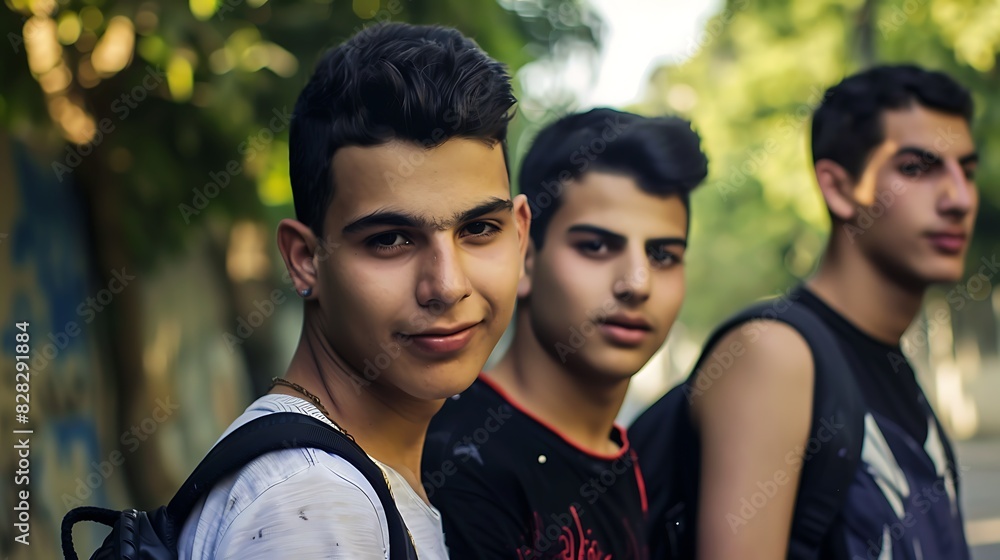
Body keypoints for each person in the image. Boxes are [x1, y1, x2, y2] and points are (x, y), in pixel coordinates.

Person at [177, 22, 531, 559]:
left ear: (521, 232)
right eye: (390, 239)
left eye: (479, 230)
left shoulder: (366, 477)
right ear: (305, 260)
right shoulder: (316, 502)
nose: (447, 286)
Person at [630, 64, 978, 559]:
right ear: (838, 188)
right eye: (917, 168)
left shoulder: (890, 365)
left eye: (967, 170)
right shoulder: (775, 355)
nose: (960, 199)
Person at [422, 108, 709, 559]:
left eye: (663, 255)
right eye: (595, 246)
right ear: (525, 256)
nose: (637, 282)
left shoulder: (632, 459)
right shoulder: (460, 461)